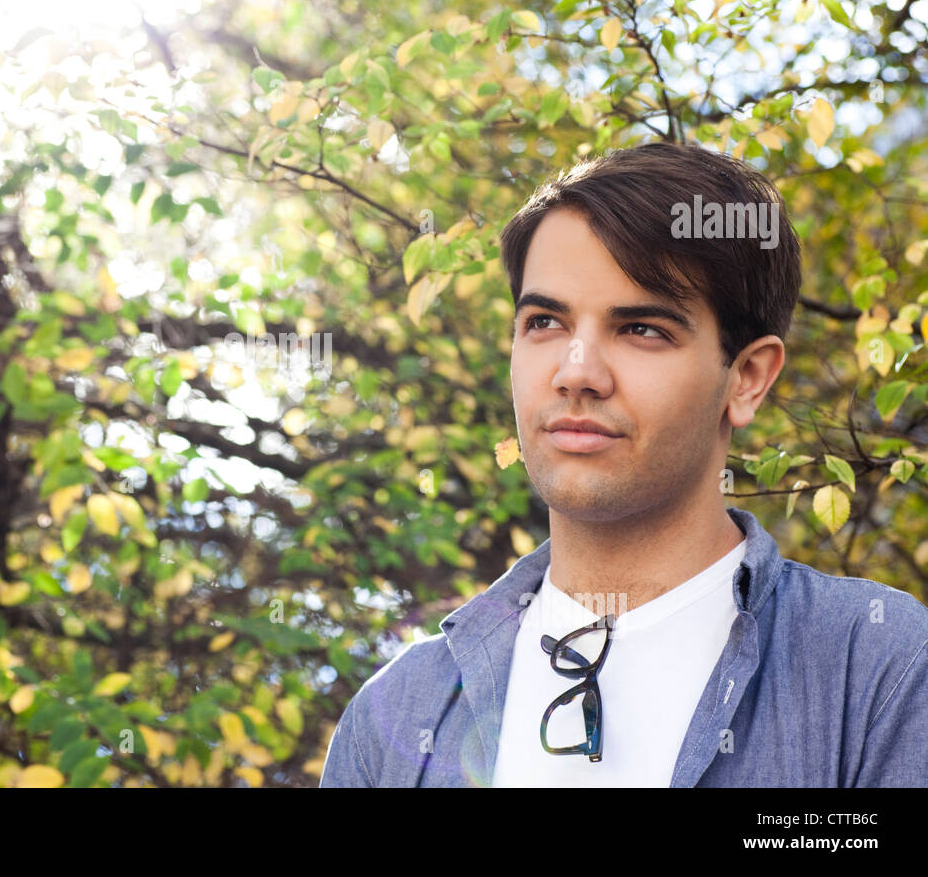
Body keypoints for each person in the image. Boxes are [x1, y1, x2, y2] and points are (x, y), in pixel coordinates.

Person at [319, 142, 928, 787]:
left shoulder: (883, 672)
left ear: (746, 378)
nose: (576, 372)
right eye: (545, 321)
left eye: (640, 328)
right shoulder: (393, 715)